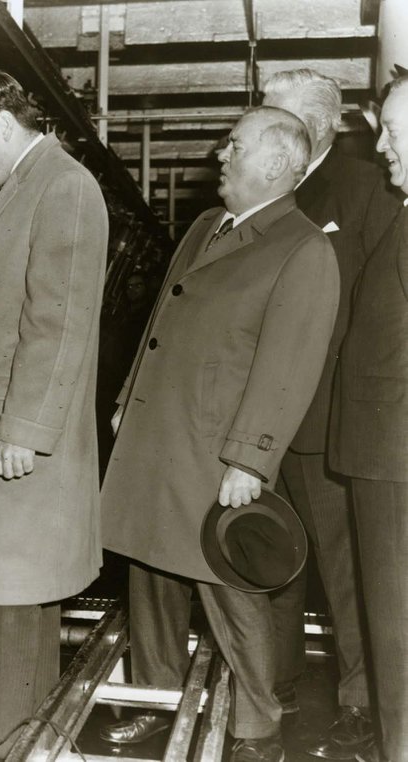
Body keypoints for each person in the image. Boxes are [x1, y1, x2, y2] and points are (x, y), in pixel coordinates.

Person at [100, 106, 340, 762]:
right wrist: (126, 401)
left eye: (233, 147)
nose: (219, 156)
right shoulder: (208, 226)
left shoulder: (302, 246)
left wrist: (251, 463)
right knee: (148, 567)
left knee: (227, 584)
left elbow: (289, 367)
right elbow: (161, 318)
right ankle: (154, 697)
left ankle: (260, 730)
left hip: (213, 450)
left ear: (276, 164)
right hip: (158, 431)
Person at [0, 67, 108, 758]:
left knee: (7, 601)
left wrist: (25, 431)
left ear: (4, 126)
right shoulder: (26, 185)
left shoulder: (61, 186)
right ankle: (27, 745)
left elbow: (56, 321)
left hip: (18, 435)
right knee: (16, 603)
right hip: (4, 426)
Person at [262, 68, 401, 760]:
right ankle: (279, 682)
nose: (258, 122)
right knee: (273, 560)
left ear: (316, 124)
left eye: (272, 111)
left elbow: (381, 310)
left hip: (329, 421)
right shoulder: (270, 191)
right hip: (268, 419)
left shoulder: (365, 186)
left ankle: (355, 700)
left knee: (348, 573)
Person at [330, 76, 408, 762]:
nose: (382, 148)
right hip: (388, 455)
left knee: (399, 631)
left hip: (399, 460)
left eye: (392, 130)